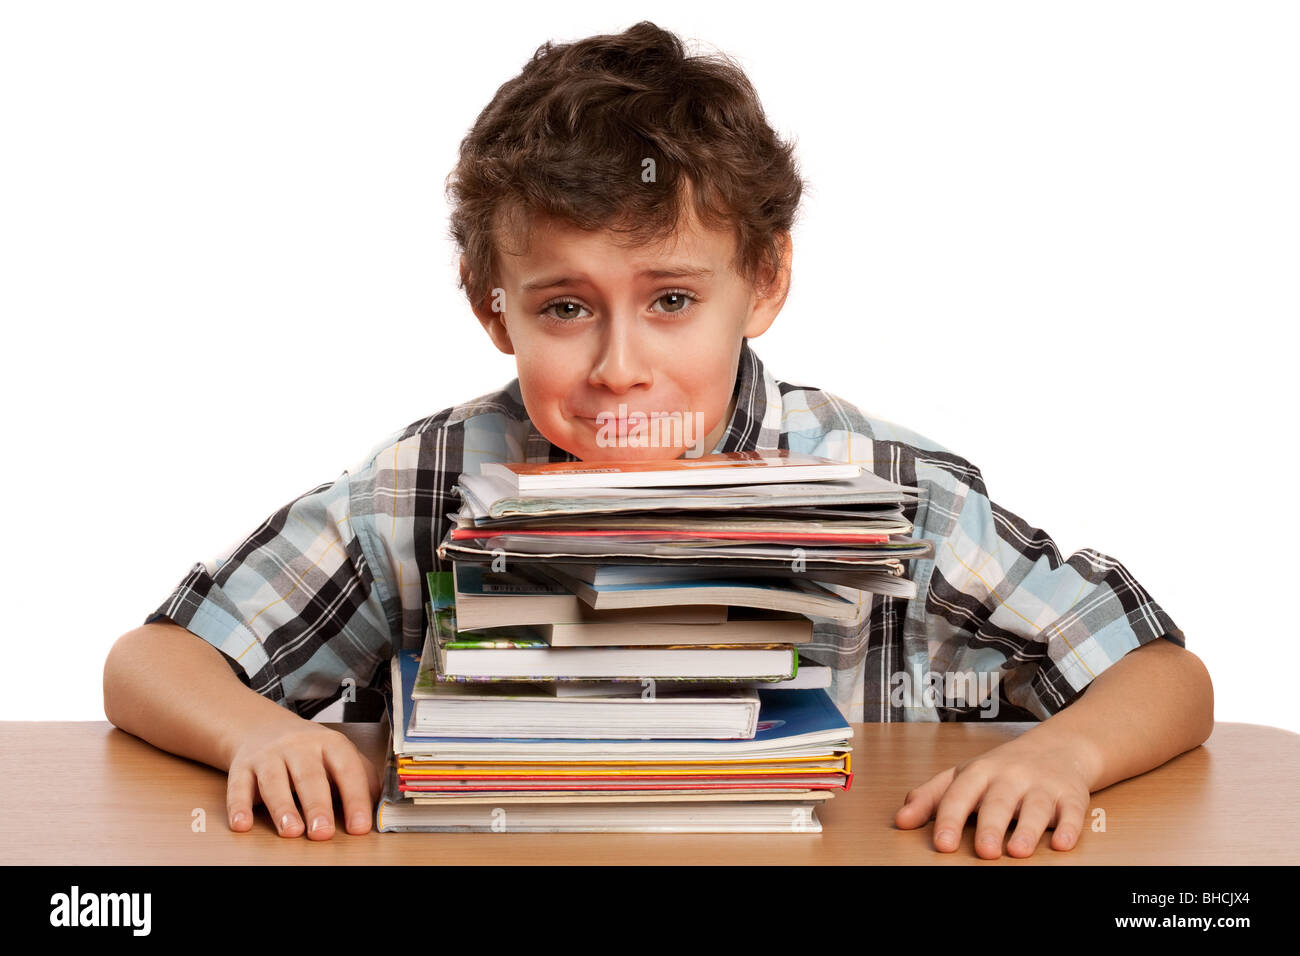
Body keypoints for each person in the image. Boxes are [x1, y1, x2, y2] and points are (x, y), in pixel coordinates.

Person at [102, 21, 1212, 857]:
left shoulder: (874, 487)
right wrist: (256, 733)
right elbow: (155, 658)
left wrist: (1062, 750)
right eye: (565, 308)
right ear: (495, 308)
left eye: (671, 299)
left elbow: (1159, 673)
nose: (619, 365)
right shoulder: (423, 485)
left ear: (764, 281)